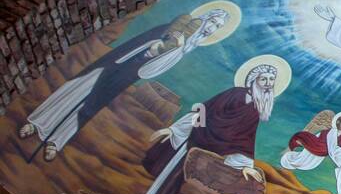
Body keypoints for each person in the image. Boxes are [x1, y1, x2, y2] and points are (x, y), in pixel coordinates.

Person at [20, 9, 229, 160]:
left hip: (131, 73)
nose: (212, 28)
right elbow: (162, 37)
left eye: (217, 27)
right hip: (123, 60)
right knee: (82, 88)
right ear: (206, 17)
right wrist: (162, 44)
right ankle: (37, 123)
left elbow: (157, 64)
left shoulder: (187, 48)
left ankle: (57, 140)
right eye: (213, 22)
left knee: (93, 104)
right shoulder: (181, 24)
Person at [130, 60, 280, 194]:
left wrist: (245, 165)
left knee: (181, 187)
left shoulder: (256, 109)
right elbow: (205, 109)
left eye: (271, 80)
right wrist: (176, 129)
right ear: (254, 79)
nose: (268, 83)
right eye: (263, 79)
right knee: (169, 175)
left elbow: (246, 137)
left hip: (216, 153)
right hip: (198, 139)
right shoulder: (235, 93)